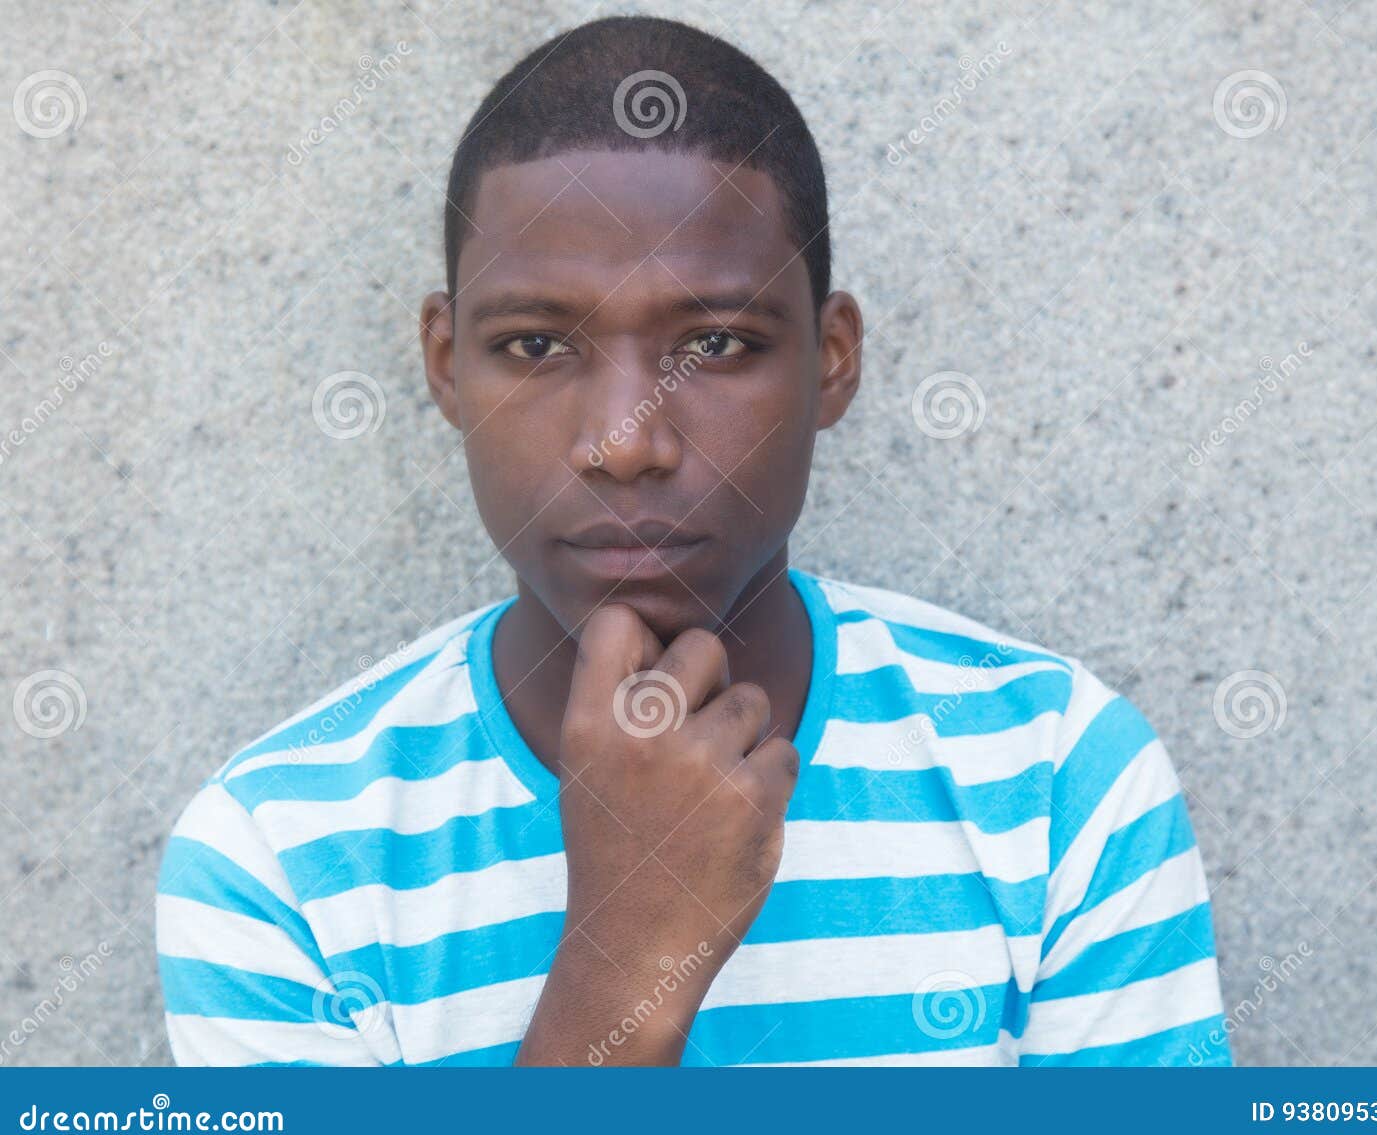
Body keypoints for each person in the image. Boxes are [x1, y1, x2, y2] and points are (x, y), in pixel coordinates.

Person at [155, 14, 1230, 1067]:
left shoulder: (1055, 780)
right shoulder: (277, 857)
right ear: (445, 364)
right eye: (534, 344)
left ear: (833, 358)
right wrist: (628, 958)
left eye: (715, 342)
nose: (626, 441)